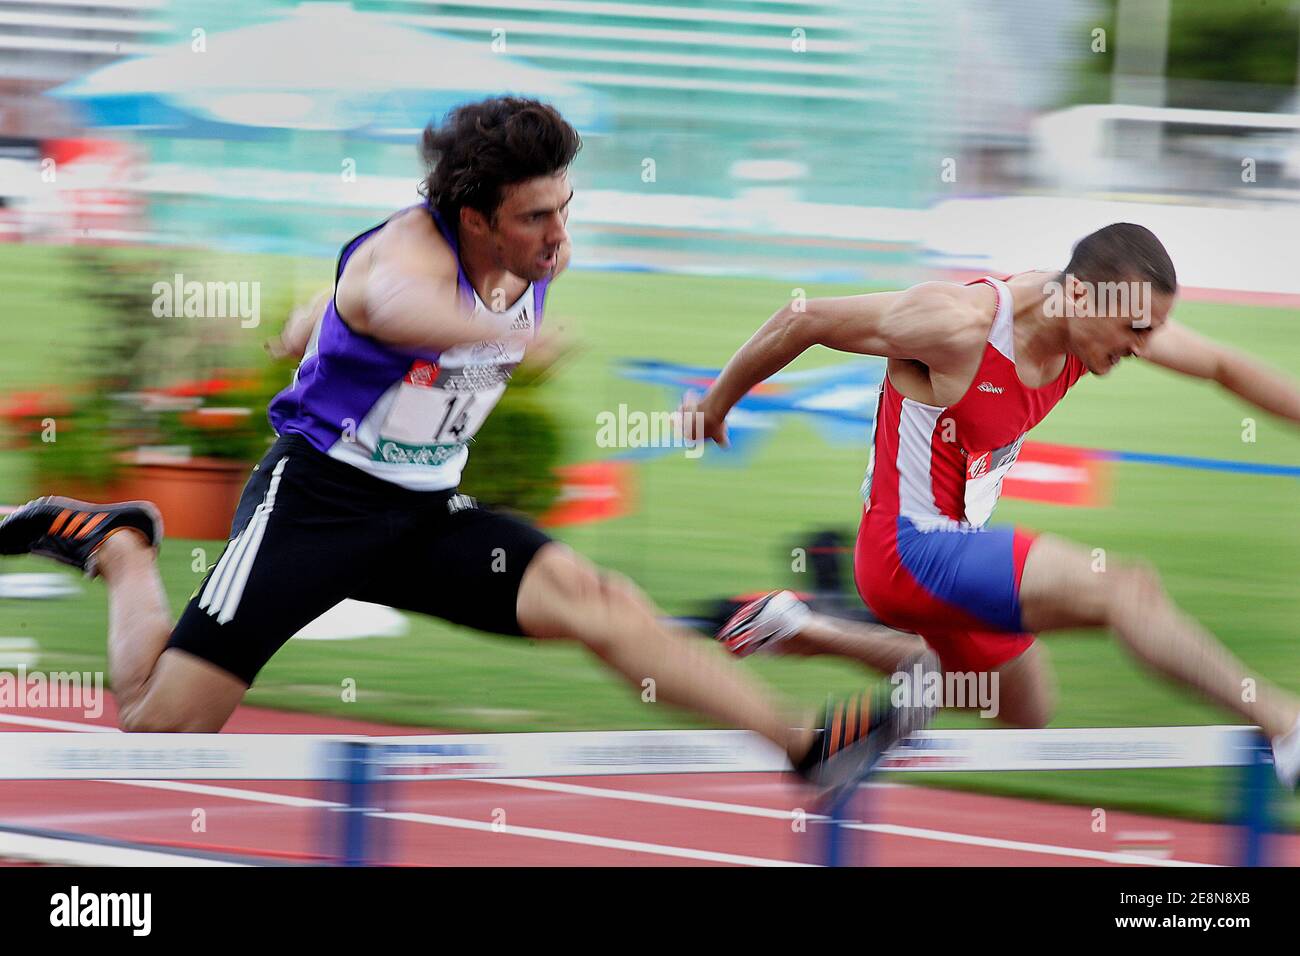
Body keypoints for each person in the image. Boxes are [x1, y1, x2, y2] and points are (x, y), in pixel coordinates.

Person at [0, 97, 936, 788]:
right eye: (536, 217)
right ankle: (121, 549)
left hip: (424, 513)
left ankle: (805, 749)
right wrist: (501, 336)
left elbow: (337, 313)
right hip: (318, 502)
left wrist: (312, 325)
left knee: (598, 600)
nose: (558, 237)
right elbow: (386, 302)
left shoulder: (529, 252)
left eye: (566, 208)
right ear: (474, 216)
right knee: (162, 734)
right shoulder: (409, 253)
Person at [685, 223, 1300, 785]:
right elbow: (805, 317)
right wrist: (715, 406)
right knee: (1124, 591)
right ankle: (1285, 724)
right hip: (908, 548)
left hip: (956, 555)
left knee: (1027, 708)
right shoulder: (956, 324)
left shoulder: (1097, 326)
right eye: (1136, 330)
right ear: (1082, 297)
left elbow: (1221, 364)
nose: (1143, 346)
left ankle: (802, 627)